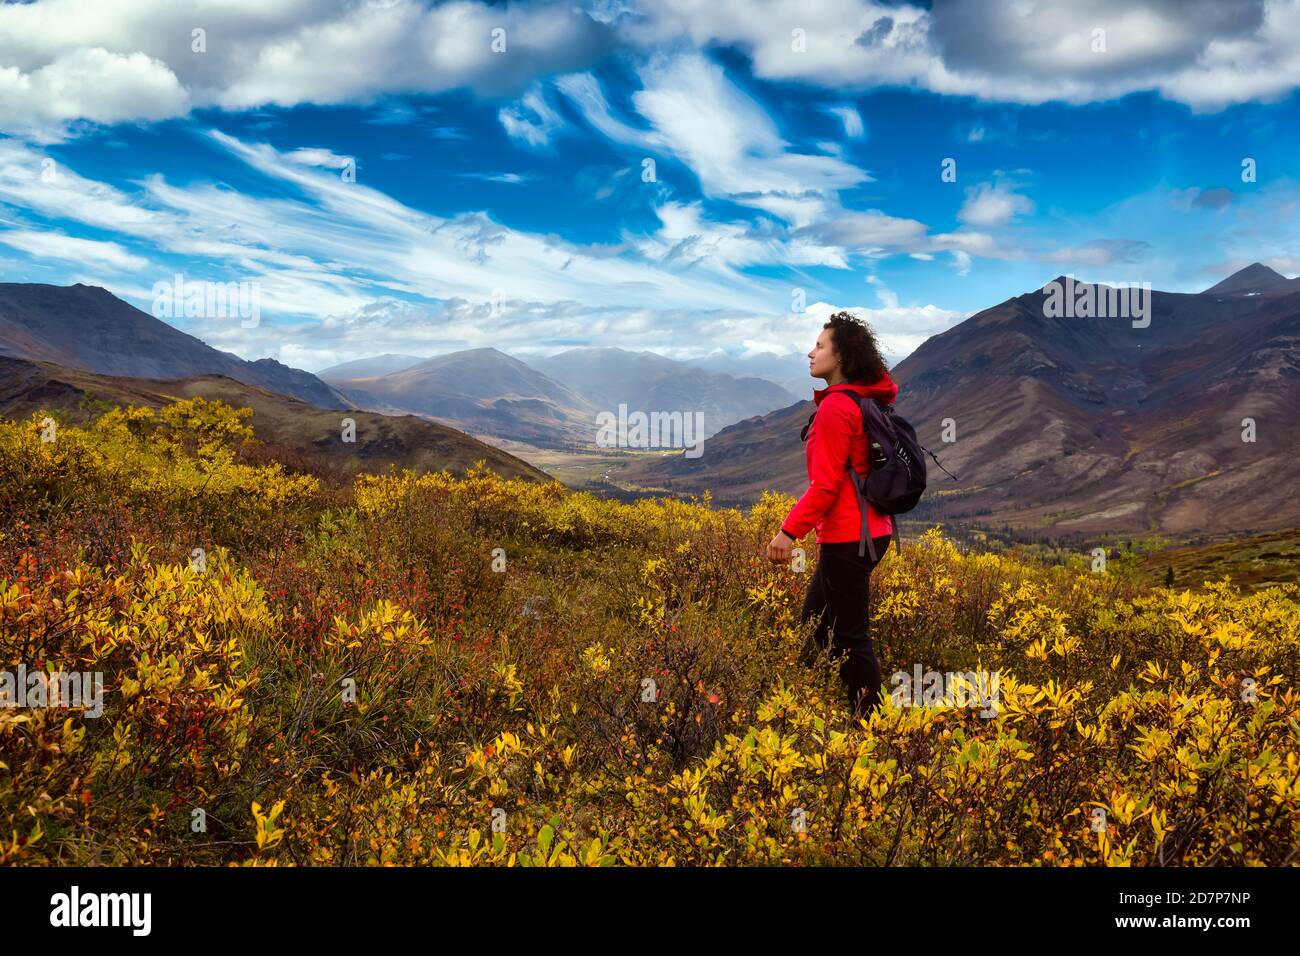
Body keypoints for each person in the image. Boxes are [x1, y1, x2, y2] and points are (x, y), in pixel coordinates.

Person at [765, 311, 898, 722]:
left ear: (840, 357)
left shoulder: (837, 408)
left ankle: (872, 727)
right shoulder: (859, 401)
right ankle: (816, 708)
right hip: (866, 533)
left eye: (820, 345)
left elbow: (825, 487)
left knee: (851, 638)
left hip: (848, 539)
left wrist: (787, 533)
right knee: (815, 625)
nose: (811, 352)